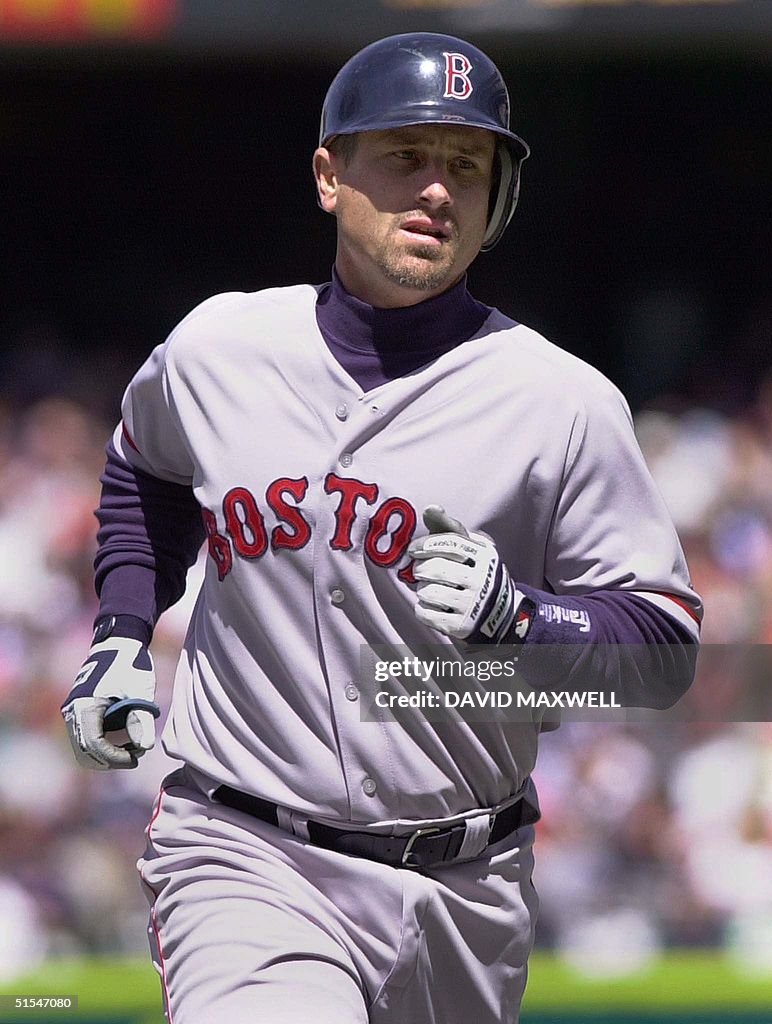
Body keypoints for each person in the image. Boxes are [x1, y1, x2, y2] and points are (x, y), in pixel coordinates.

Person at [61, 32, 702, 1024]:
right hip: (246, 847)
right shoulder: (222, 348)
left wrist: (523, 624)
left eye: (466, 164)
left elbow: (661, 653)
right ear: (329, 174)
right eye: (404, 156)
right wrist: (120, 632)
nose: (438, 189)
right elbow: (143, 468)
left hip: (466, 886)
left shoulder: (560, 402)